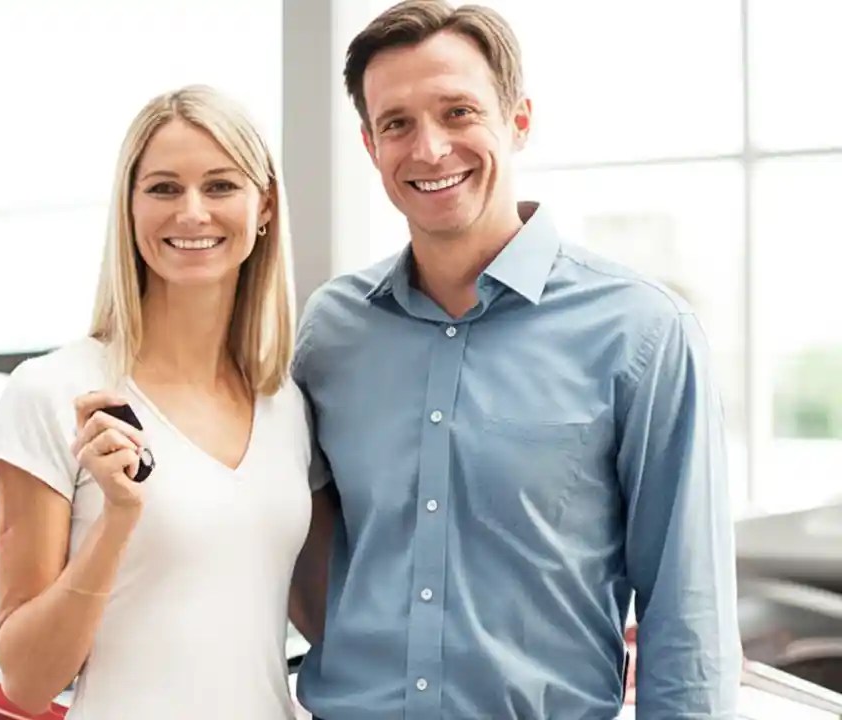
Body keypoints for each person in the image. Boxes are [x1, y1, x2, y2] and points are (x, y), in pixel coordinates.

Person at [288, 2, 743, 718]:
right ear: (371, 145)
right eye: (397, 123)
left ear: (519, 121)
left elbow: (687, 617)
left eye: (458, 112)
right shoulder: (332, 331)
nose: (430, 149)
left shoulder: (642, 332)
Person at [0, 84, 317, 719]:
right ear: (130, 208)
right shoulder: (54, 391)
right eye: (163, 188)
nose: (192, 213)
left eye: (220, 186)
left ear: (264, 206)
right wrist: (117, 519)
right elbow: (26, 681)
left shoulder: (286, 404)